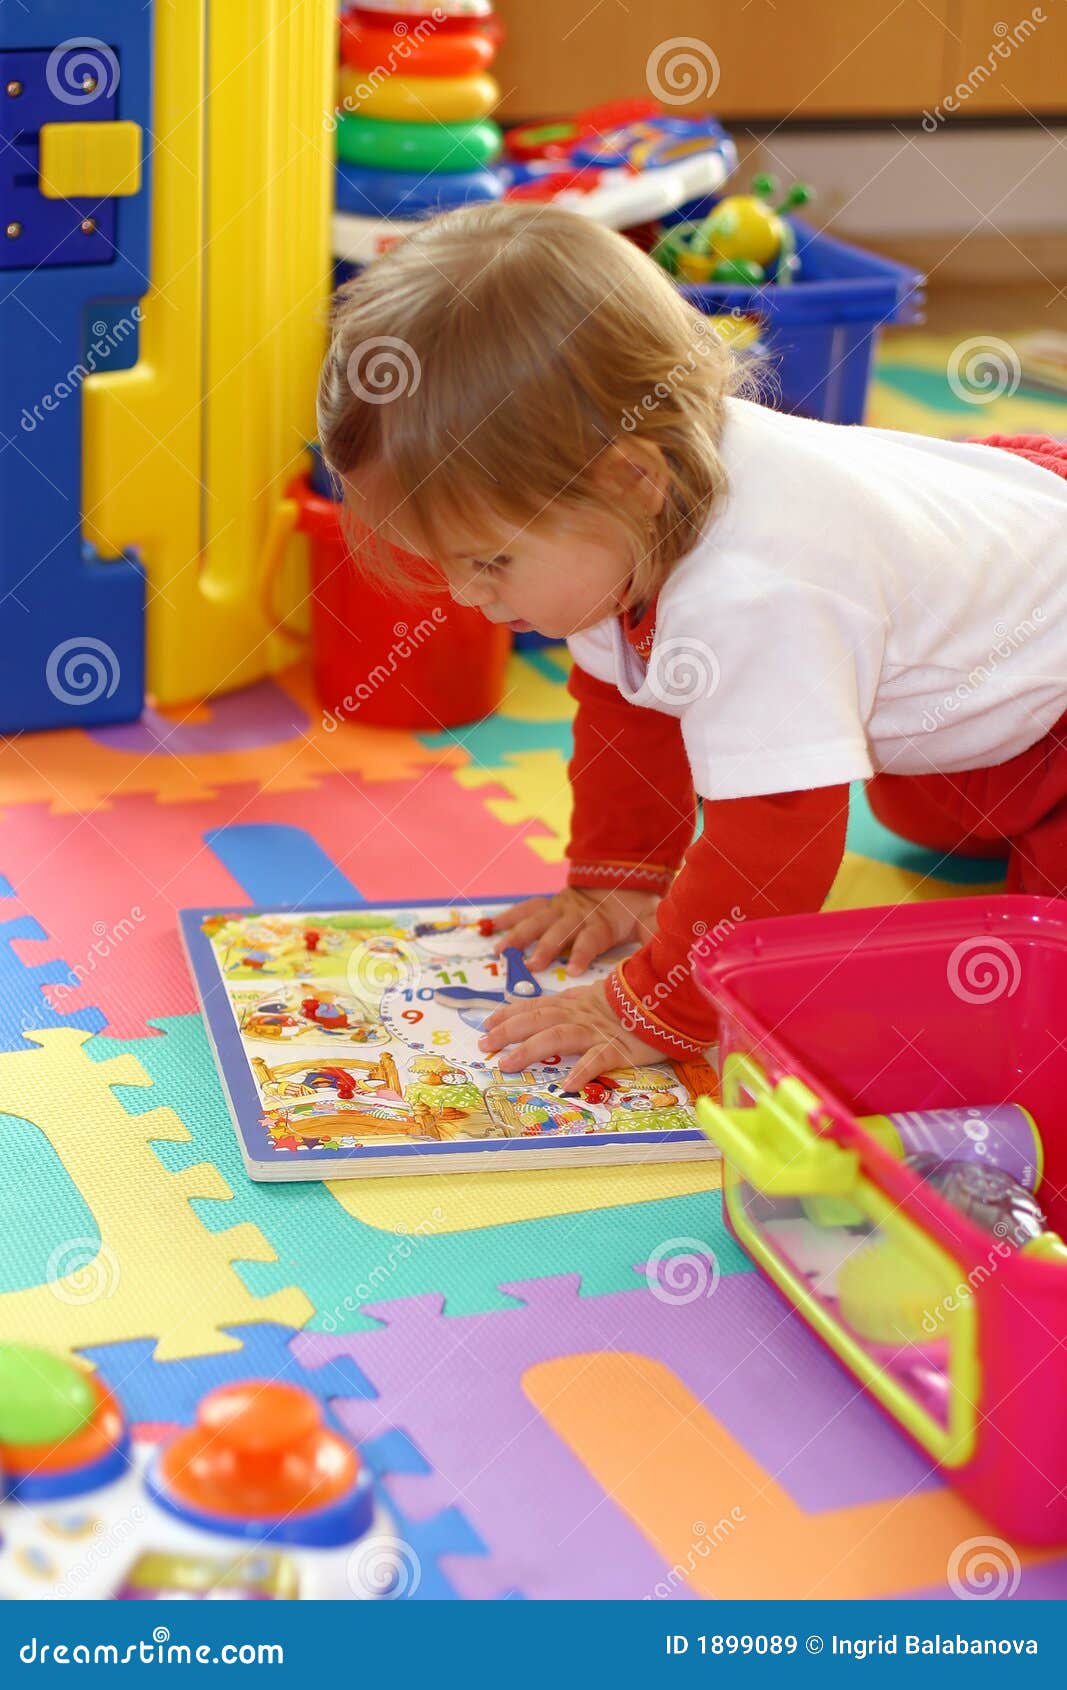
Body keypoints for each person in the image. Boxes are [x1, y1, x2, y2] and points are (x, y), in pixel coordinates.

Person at [317, 202, 1067, 1091]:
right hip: (990, 631)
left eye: (487, 561)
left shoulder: (758, 587)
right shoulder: (619, 515)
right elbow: (624, 708)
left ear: (632, 480)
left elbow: (776, 837)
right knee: (923, 815)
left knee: (1037, 956)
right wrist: (617, 879)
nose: (464, 595)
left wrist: (656, 1004)